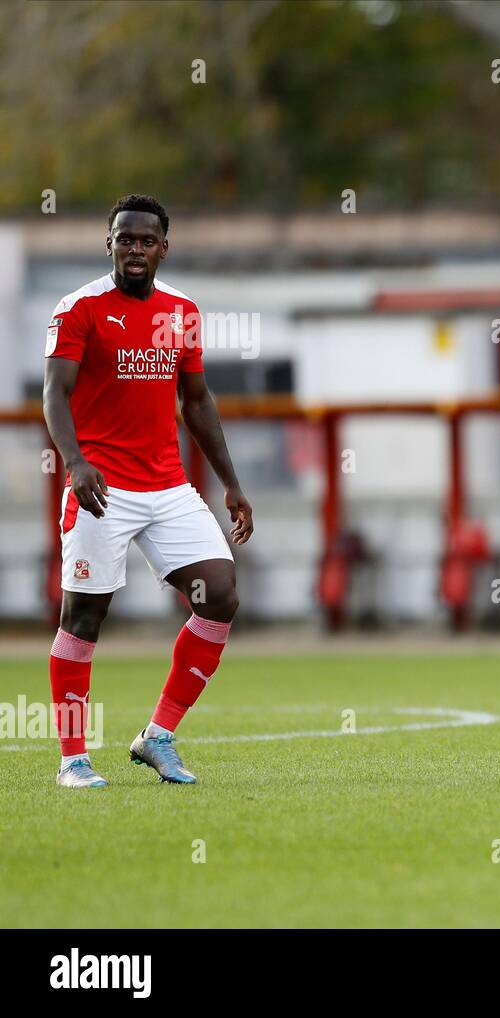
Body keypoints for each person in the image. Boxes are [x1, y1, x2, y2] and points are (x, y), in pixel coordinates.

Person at [43, 194, 253, 787]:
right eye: (125, 239)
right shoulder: (79, 308)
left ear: (164, 246)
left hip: (167, 487)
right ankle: (73, 760)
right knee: (84, 618)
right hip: (101, 488)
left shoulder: (181, 311)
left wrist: (231, 484)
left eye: (147, 240)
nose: (135, 249)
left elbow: (197, 401)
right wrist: (76, 462)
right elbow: (55, 393)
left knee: (219, 594)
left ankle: (157, 736)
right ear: (109, 244)